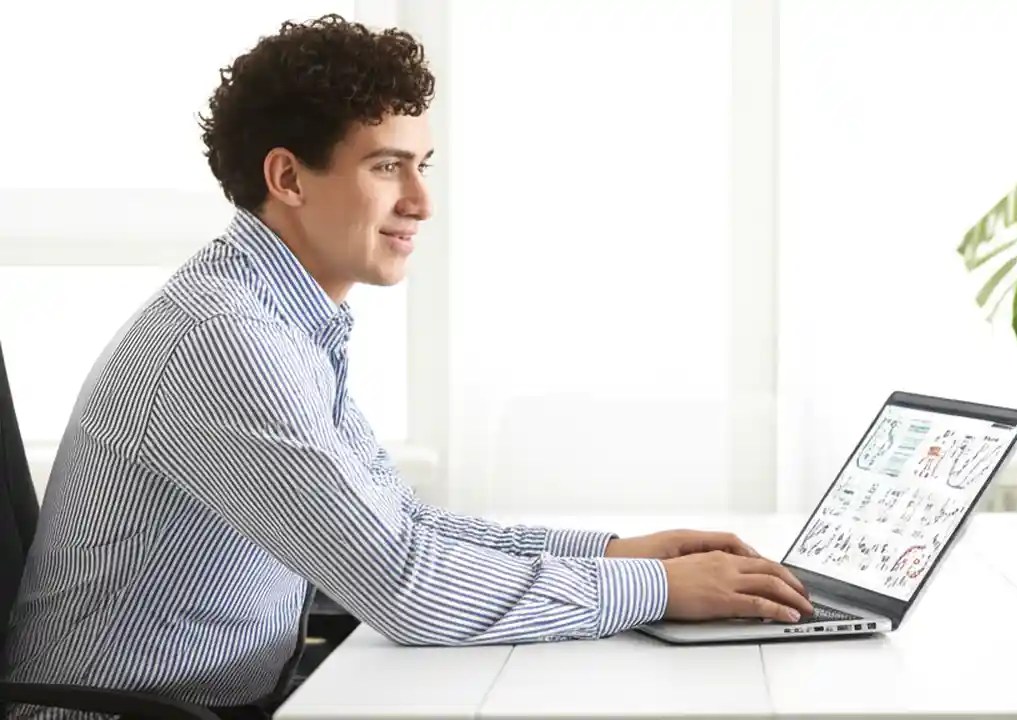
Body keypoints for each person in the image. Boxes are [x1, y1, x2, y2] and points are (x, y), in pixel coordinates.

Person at [1, 14, 812, 719]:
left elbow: (405, 527)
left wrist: (614, 553)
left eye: (424, 165)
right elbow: (402, 584)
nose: (421, 201)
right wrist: (662, 593)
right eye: (388, 166)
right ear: (287, 178)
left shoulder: (283, 317)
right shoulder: (224, 340)